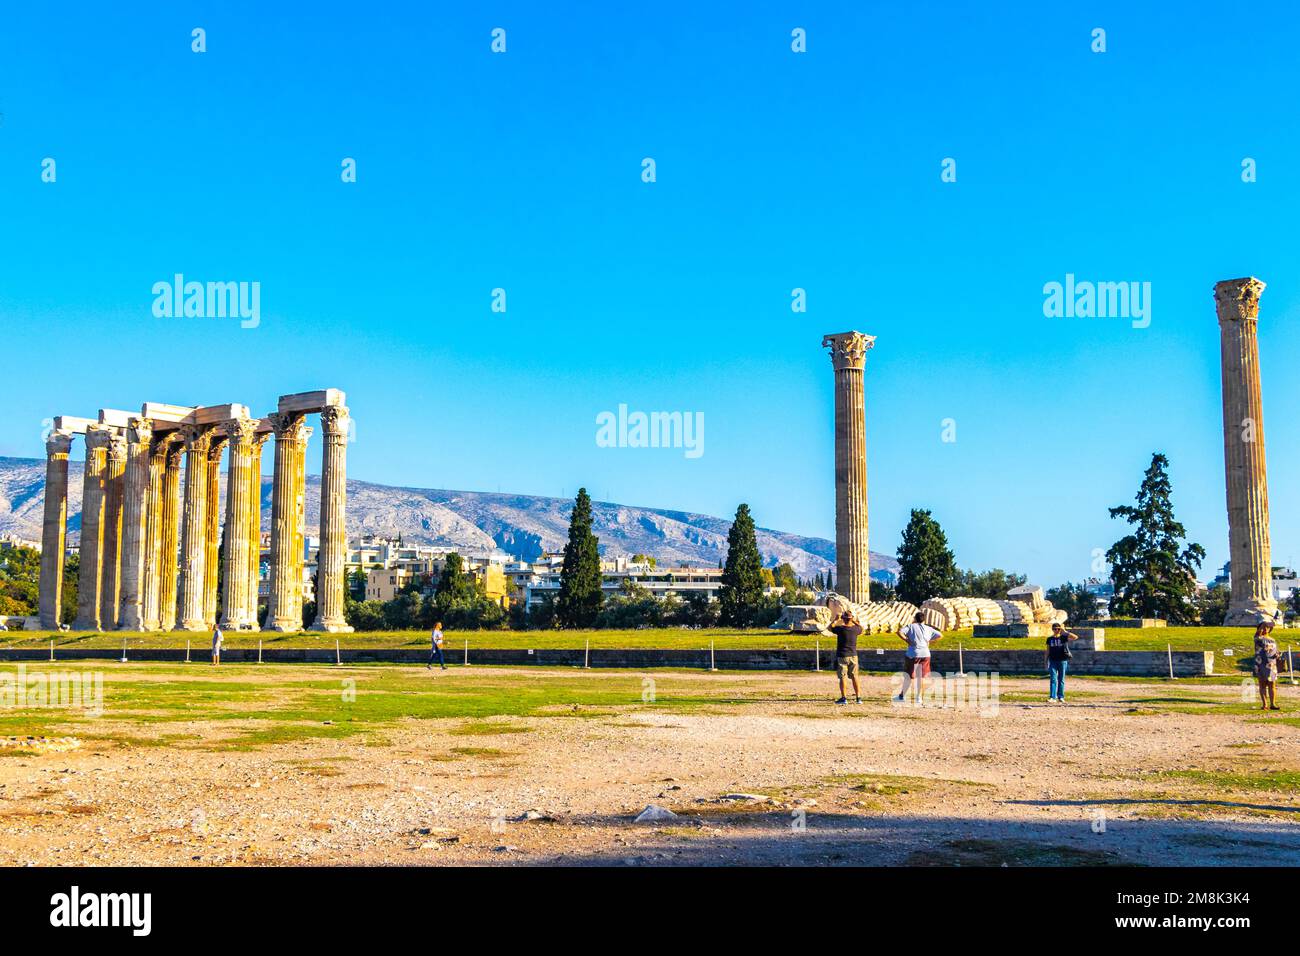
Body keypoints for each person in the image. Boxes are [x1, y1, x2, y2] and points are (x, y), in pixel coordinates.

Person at [896, 612, 941, 704]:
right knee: (921, 677)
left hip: (913, 653)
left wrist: (907, 640)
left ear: (915, 619)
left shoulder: (911, 626)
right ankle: (919, 698)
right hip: (925, 653)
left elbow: (899, 632)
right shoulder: (928, 628)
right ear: (924, 619)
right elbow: (940, 635)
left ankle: (902, 696)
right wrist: (930, 642)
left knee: (908, 676)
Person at [828, 610, 862, 705]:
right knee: (855, 676)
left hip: (842, 655)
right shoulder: (855, 629)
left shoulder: (840, 629)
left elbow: (830, 628)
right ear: (851, 619)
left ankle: (844, 698)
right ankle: (858, 698)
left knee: (843, 677)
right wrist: (853, 620)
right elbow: (860, 627)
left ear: (843, 619)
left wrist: (835, 619)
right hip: (853, 655)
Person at [1045, 622, 1078, 703]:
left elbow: (1075, 637)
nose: (1056, 630)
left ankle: (1060, 696)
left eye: (1058, 629)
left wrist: (1065, 632)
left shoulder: (1063, 637)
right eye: (1055, 629)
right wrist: (1045, 662)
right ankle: (1052, 697)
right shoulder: (1049, 639)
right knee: (1053, 679)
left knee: (1061, 679)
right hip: (1052, 661)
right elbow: (1047, 651)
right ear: (1052, 629)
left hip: (1062, 661)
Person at [1253, 619, 1281, 711]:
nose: (1265, 629)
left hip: (1271, 664)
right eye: (1264, 627)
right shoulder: (1258, 638)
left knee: (1272, 684)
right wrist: (1262, 626)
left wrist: (1278, 654)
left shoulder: (1272, 640)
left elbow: (1275, 650)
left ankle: (1273, 704)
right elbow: (1258, 634)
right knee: (1262, 684)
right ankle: (1265, 704)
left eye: (1267, 628)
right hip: (1261, 663)